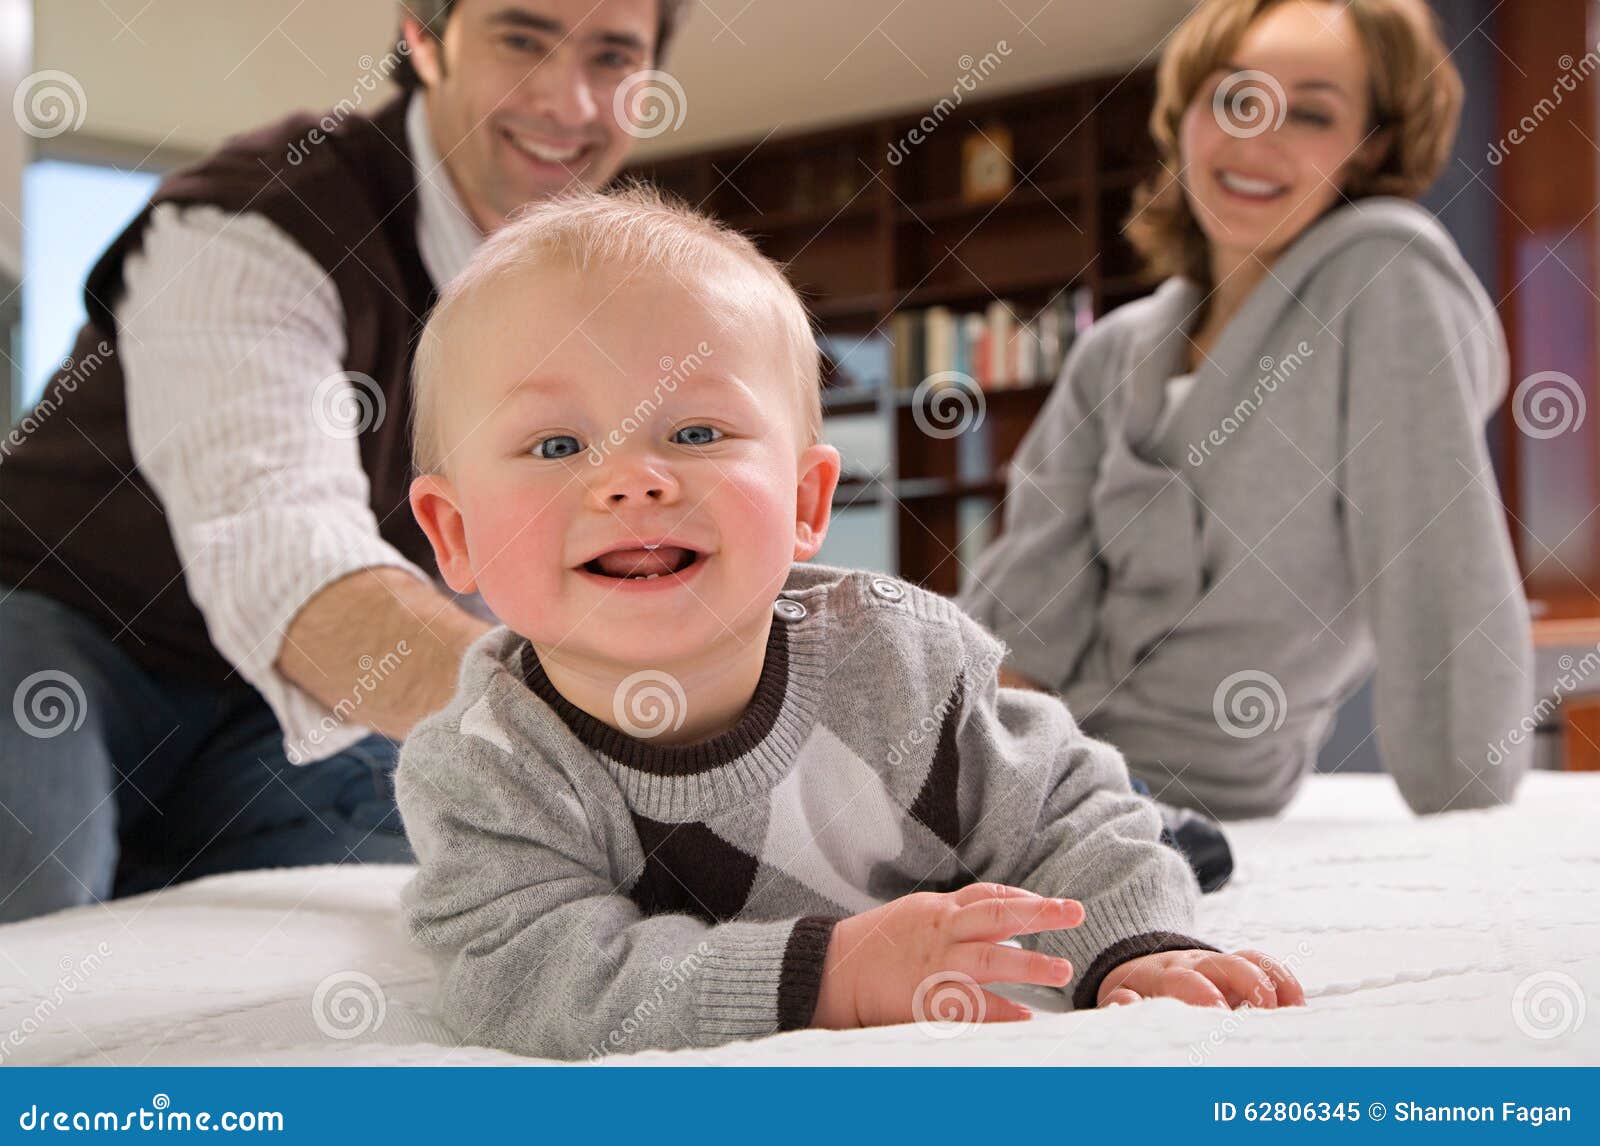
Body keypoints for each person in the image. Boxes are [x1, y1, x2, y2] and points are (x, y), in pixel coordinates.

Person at [392, 185, 1304, 1061]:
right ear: (454, 531)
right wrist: (833, 973)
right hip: (844, 921)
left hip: (971, 825)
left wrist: (1136, 946)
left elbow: (1070, 814)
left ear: (803, 497)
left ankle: (1182, 834)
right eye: (556, 445)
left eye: (698, 434)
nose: (632, 480)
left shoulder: (899, 661)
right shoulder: (487, 771)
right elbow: (533, 976)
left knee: (1125, 821)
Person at [0, 0, 685, 922]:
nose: (568, 101)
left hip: (281, 716)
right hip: (58, 626)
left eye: (612, 56)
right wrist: (589, 735)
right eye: (523, 40)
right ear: (423, 39)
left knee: (455, 903)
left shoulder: (581, 298)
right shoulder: (259, 218)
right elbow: (278, 547)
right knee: (30, 900)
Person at [959, 0, 1531, 820]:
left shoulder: (1386, 277)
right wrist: (966, 784)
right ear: (1186, 114)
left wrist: (1464, 803)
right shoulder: (1115, 350)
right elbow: (1017, 621)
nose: (1257, 139)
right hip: (1025, 773)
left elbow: (1437, 564)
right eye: (1236, 98)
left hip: (1180, 798)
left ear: (1369, 146)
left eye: (1311, 112)